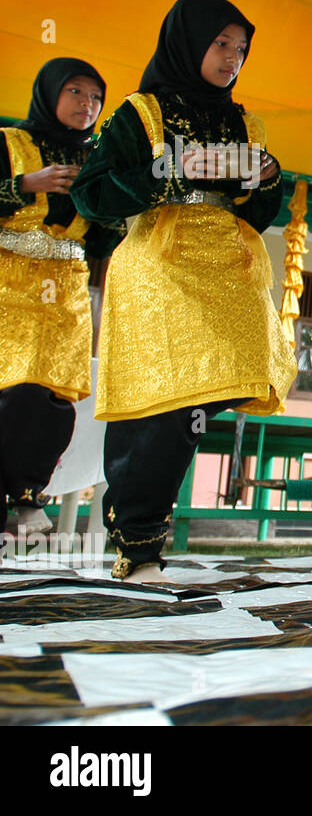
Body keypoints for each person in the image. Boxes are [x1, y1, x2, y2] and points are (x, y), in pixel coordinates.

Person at [72, 0, 294, 582]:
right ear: (188, 41)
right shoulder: (138, 114)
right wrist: (169, 171)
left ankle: (134, 504)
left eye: (241, 49)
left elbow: (263, 210)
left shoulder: (248, 122)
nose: (232, 59)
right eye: (221, 44)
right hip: (161, 265)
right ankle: (139, 543)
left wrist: (266, 178)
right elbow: (91, 195)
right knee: (160, 404)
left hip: (228, 266)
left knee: (207, 392)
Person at [1, 59, 124, 535]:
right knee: (12, 387)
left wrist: (111, 209)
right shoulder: (9, 143)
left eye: (96, 98)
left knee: (52, 394)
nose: (86, 105)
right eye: (75, 91)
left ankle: (30, 495)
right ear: (50, 92)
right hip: (9, 283)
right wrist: (25, 185)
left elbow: (102, 239)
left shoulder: (96, 161)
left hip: (66, 291)